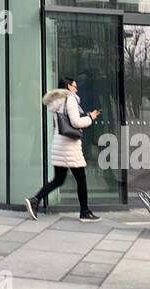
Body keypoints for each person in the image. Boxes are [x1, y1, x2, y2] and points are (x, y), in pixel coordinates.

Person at [24, 75, 99, 222]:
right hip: (70, 147)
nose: (76, 89)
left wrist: (87, 115)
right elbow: (76, 122)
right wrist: (90, 118)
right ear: (68, 87)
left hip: (59, 145)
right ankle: (85, 212)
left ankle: (35, 200)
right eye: (74, 86)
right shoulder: (70, 99)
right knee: (81, 179)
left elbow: (66, 121)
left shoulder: (57, 102)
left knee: (58, 180)